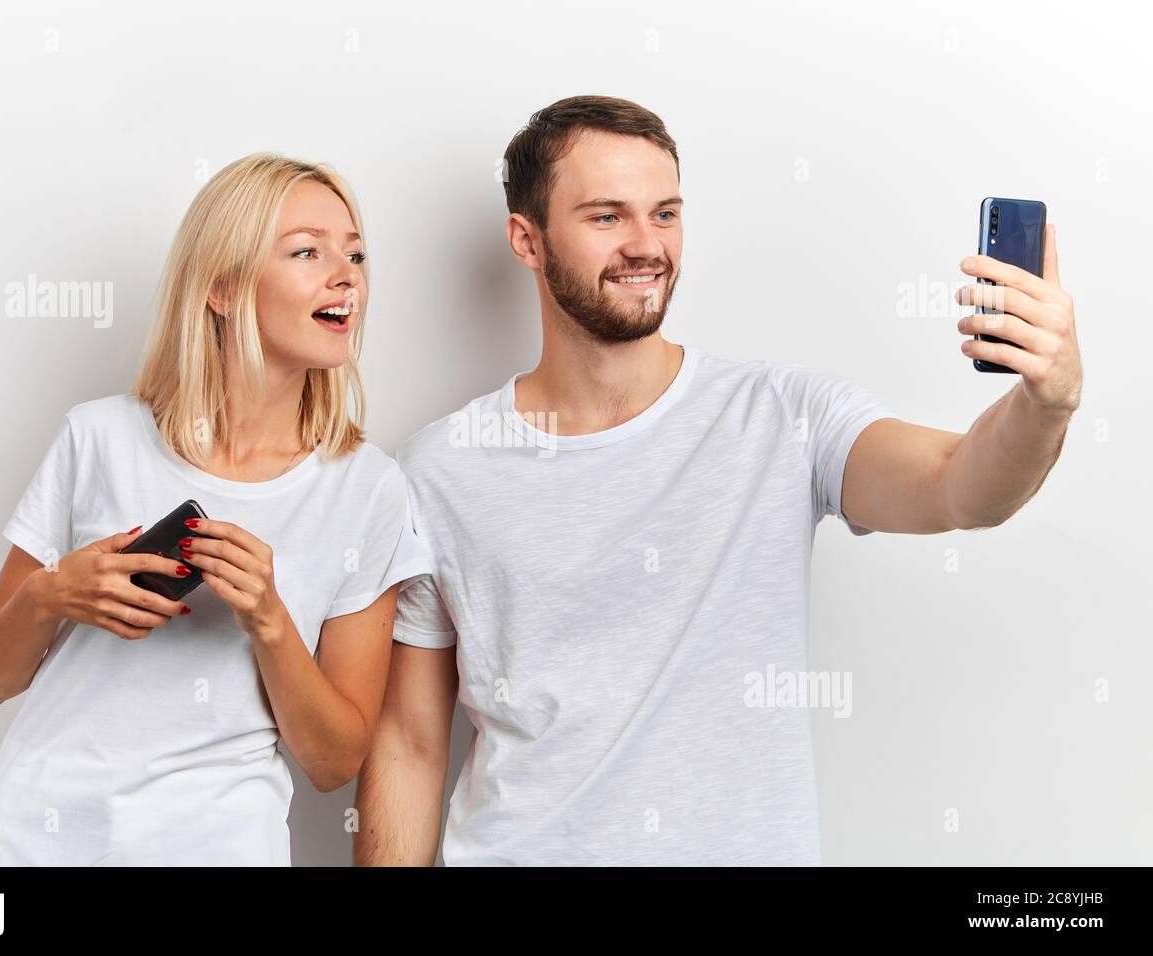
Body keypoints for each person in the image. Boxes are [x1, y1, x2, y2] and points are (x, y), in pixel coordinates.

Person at [355, 95, 1082, 865]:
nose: (646, 245)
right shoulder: (442, 467)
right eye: (607, 217)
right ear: (526, 240)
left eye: (665, 213)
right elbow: (408, 744)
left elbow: (958, 486)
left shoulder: (782, 415)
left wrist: (1049, 400)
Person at [0, 153, 432, 865]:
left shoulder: (369, 489)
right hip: (33, 840)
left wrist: (270, 623)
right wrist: (52, 595)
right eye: (308, 251)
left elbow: (334, 761)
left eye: (356, 254)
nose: (347, 275)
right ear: (220, 287)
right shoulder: (99, 437)